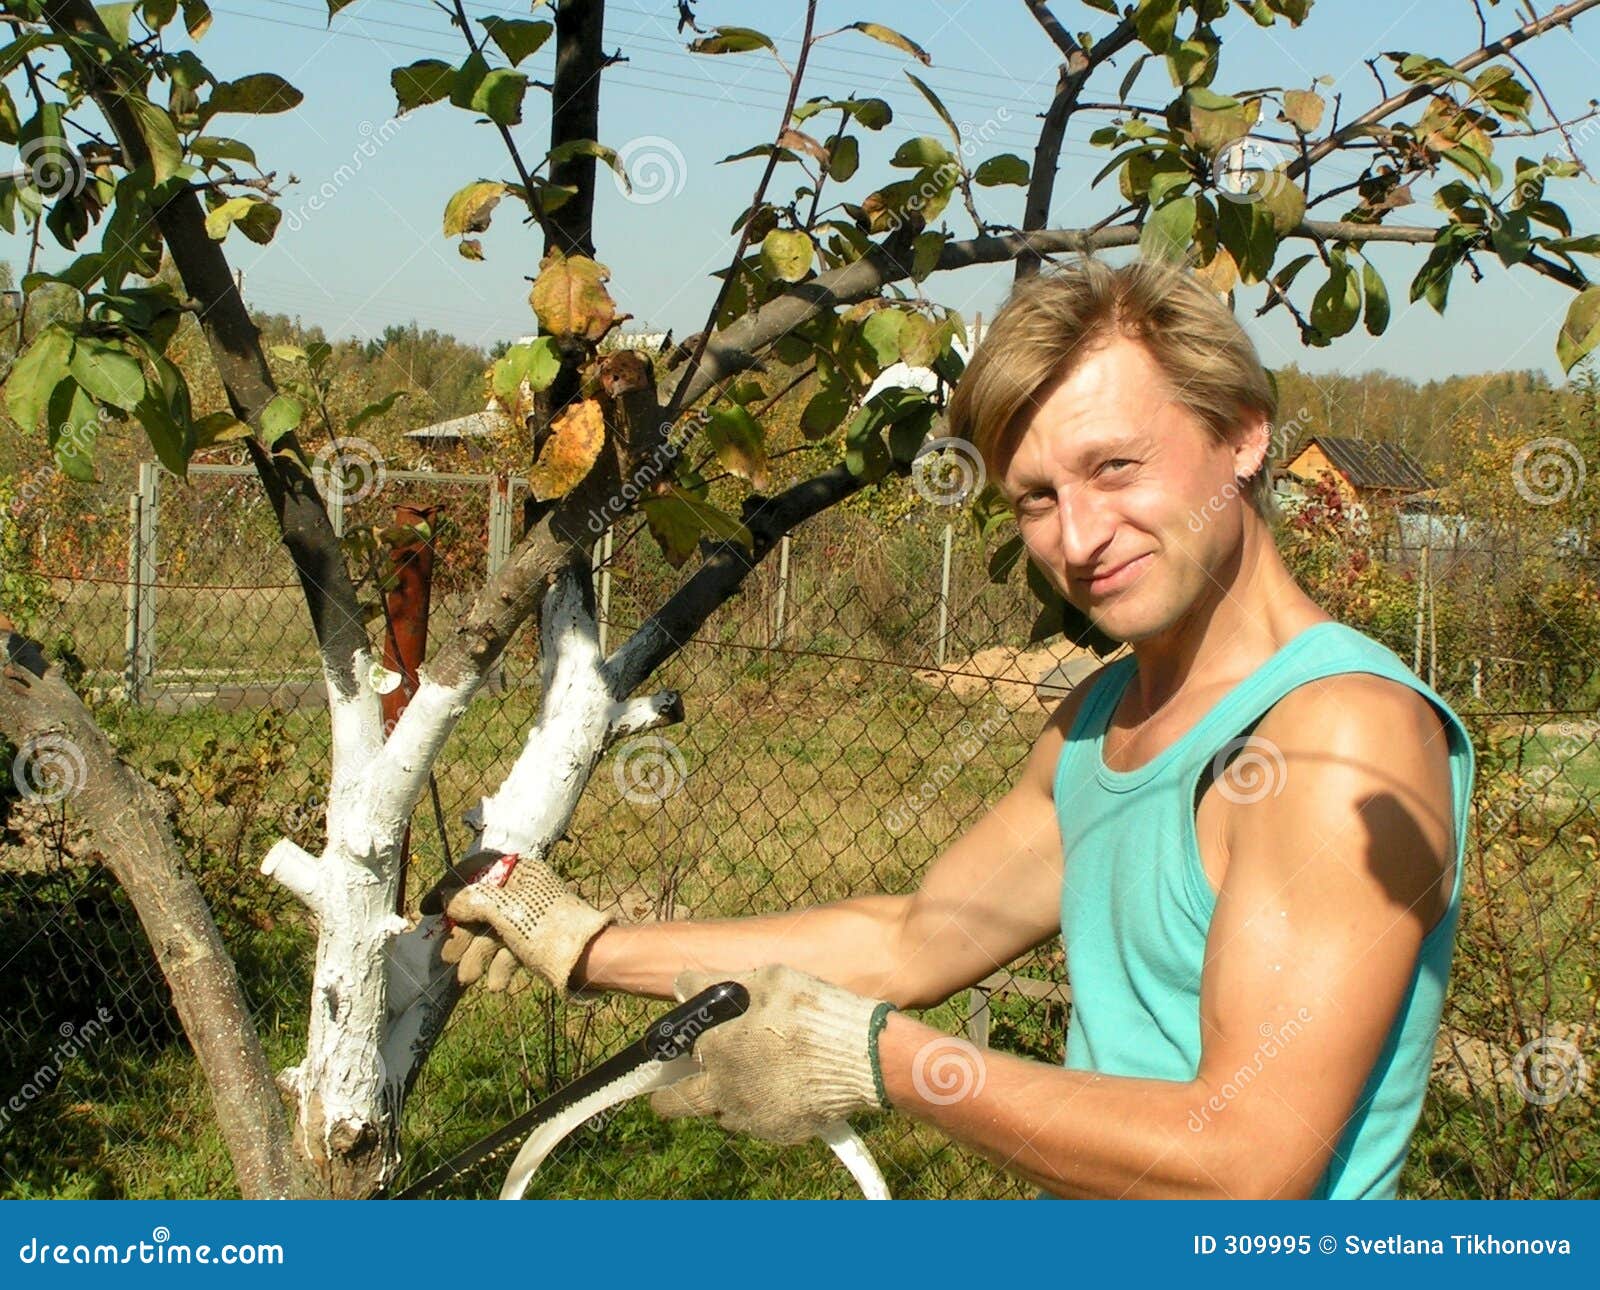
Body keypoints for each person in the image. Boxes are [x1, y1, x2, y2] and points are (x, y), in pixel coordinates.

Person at [437, 257, 1475, 1200]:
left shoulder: (1337, 739)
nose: (1077, 538)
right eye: (1034, 499)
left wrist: (884, 1062)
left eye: (1115, 467)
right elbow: (917, 936)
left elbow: (1247, 1161)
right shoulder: (1105, 718)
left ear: (1243, 435)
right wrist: (583, 944)